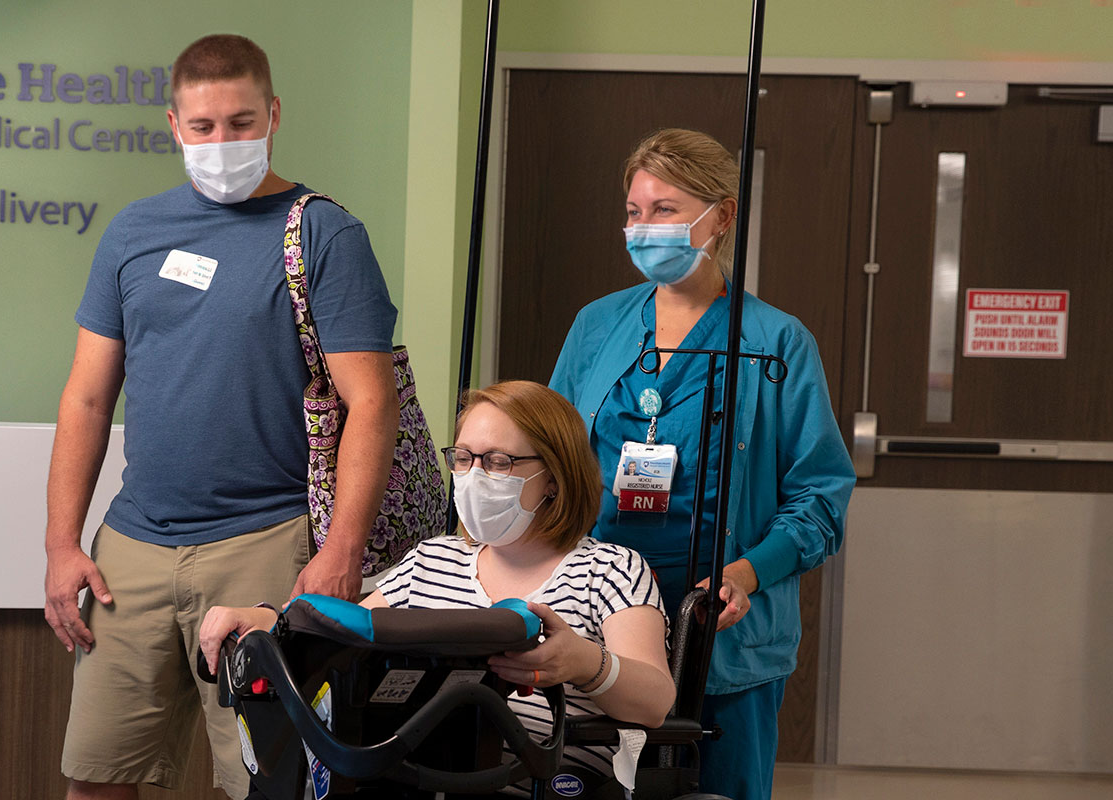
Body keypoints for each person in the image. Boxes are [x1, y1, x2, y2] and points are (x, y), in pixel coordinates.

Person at [43, 34, 400, 800]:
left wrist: (342, 551)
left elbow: (371, 401)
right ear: (173, 125)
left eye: (241, 123)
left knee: (268, 785)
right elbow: (86, 397)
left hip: (266, 544)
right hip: (131, 551)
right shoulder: (134, 233)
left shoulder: (325, 234)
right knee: (95, 781)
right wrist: (60, 543)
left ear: (272, 115)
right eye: (203, 127)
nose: (222, 142)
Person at [548, 128, 855, 799]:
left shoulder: (775, 344)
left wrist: (746, 574)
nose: (644, 226)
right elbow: (553, 465)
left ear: (722, 216)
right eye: (634, 211)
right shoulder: (596, 328)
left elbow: (820, 498)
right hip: (598, 625)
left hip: (720, 631)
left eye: (664, 209)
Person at [201, 380, 676, 797]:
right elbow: (344, 638)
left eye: (497, 461)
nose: (473, 476)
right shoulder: (432, 559)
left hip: (538, 779)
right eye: (464, 458)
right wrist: (264, 620)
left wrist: (582, 662)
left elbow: (655, 702)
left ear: (553, 476)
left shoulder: (609, 568)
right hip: (407, 773)